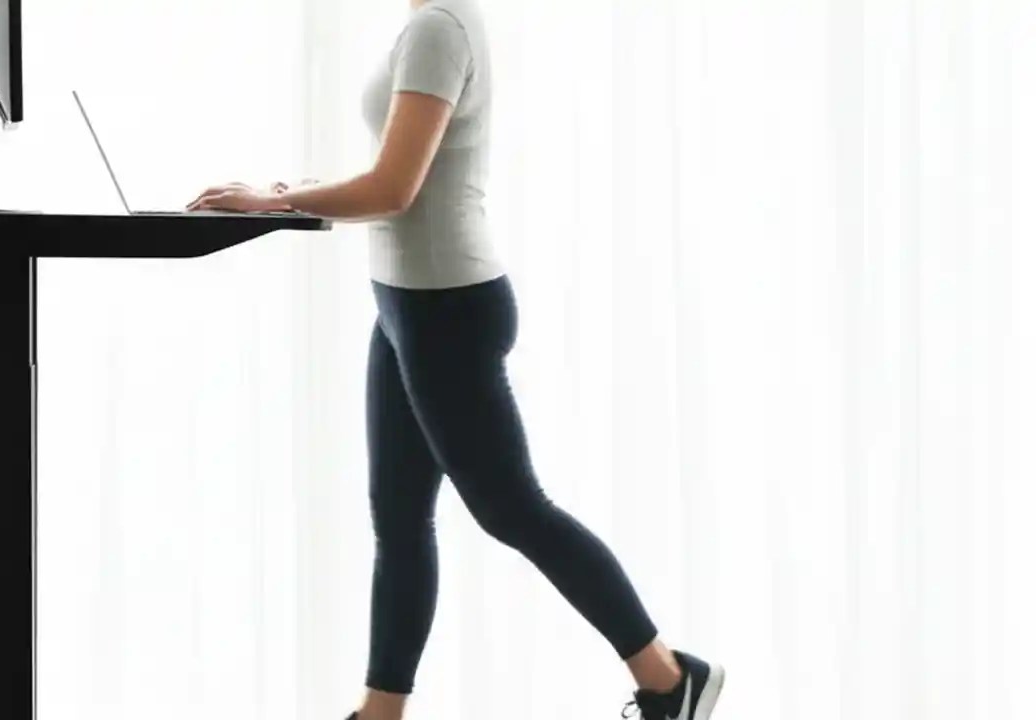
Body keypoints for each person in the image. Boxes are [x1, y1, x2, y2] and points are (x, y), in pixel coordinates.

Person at [187, 1, 725, 718]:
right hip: (406, 304)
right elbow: (399, 175)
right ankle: (380, 713)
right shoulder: (427, 23)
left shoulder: (442, 28)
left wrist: (268, 203)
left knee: (514, 511)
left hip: (447, 309)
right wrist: (289, 195)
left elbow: (393, 189)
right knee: (401, 520)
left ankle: (668, 679)